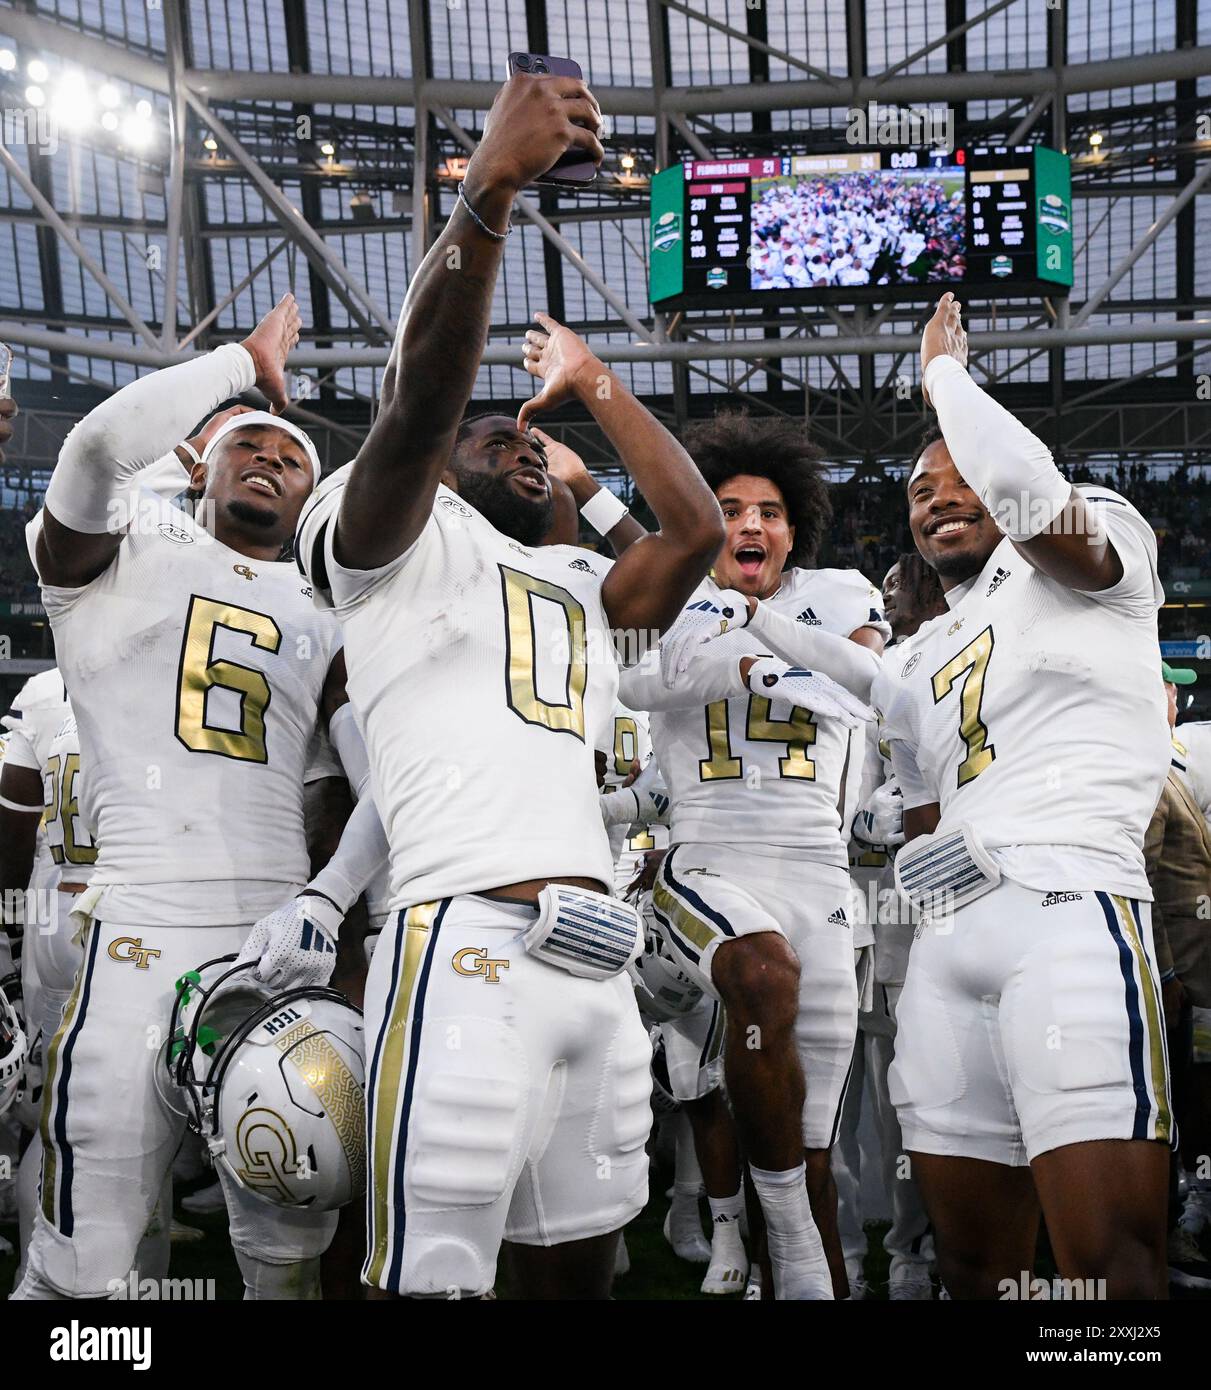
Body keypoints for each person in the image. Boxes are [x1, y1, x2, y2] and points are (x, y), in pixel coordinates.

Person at [294, 68, 725, 1300]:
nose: (515, 441)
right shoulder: (387, 535)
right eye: (496, 436)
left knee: (581, 1269)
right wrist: (484, 195)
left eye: (530, 439)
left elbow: (689, 533)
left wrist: (593, 384)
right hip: (463, 937)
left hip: (592, 952)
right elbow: (420, 399)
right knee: (434, 1273)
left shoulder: (579, 578)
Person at [13, 296, 387, 1302]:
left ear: (313, 496)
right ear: (198, 463)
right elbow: (94, 449)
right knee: (95, 1254)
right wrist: (243, 363)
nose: (270, 456)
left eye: (293, 455)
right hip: (137, 929)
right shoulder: (112, 552)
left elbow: (387, 782)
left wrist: (325, 897)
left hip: (274, 939)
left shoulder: (327, 610)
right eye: (247, 444)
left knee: (287, 1237)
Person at [872, 291, 1173, 1299]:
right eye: (919, 487)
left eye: (958, 473)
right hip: (949, 947)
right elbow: (917, 811)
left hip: (1068, 916)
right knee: (971, 1267)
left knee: (1108, 1265)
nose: (938, 494)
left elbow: (1031, 494)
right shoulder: (926, 648)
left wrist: (945, 378)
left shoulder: (1093, 549)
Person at [617, 411, 887, 1299]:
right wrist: (736, 661)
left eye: (768, 510)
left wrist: (762, 634)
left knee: (808, 1147)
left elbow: (870, 688)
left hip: (821, 877)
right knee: (752, 983)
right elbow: (627, 680)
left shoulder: (840, 593)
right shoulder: (669, 600)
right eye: (728, 508)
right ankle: (746, 1235)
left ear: (793, 525)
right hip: (709, 860)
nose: (751, 525)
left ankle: (804, 1274)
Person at [835, 551, 946, 1299]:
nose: (883, 602)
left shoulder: (960, 655)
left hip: (932, 917)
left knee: (920, 1098)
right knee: (855, 1093)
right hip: (865, 909)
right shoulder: (877, 671)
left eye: (895, 587)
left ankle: (915, 1251)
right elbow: (856, 800)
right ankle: (853, 1249)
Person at [1146, 662, 1211, 1290]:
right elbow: (1143, 883)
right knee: (1173, 1109)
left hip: (1191, 975)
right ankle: (1166, 1239)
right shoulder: (1144, 773)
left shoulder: (1166, 766)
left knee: (1191, 1104)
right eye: (1166, 684)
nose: (1175, 694)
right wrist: (1165, 971)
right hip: (1177, 979)